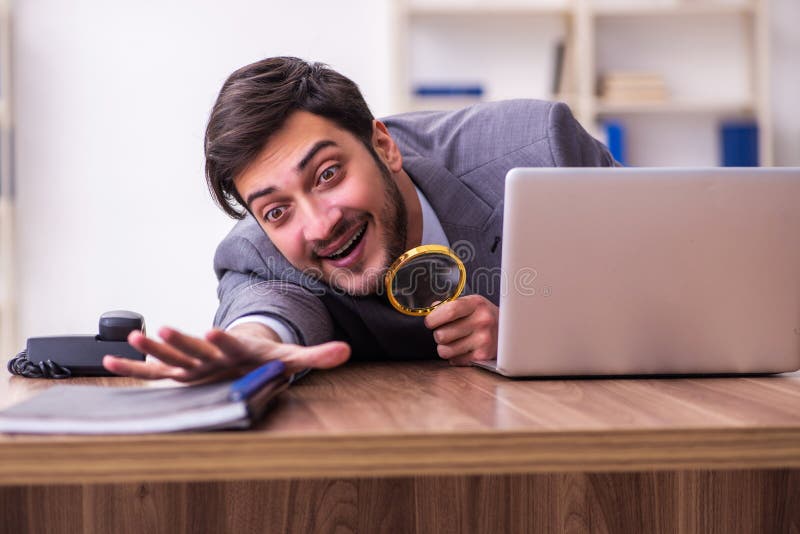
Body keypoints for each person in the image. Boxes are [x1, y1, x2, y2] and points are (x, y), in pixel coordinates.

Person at [103, 56, 616, 383]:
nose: (320, 225)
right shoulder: (260, 253)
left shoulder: (539, 150)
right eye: (276, 210)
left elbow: (677, 289)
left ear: (383, 146)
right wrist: (250, 350)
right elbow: (264, 314)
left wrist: (535, 341)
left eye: (327, 175)